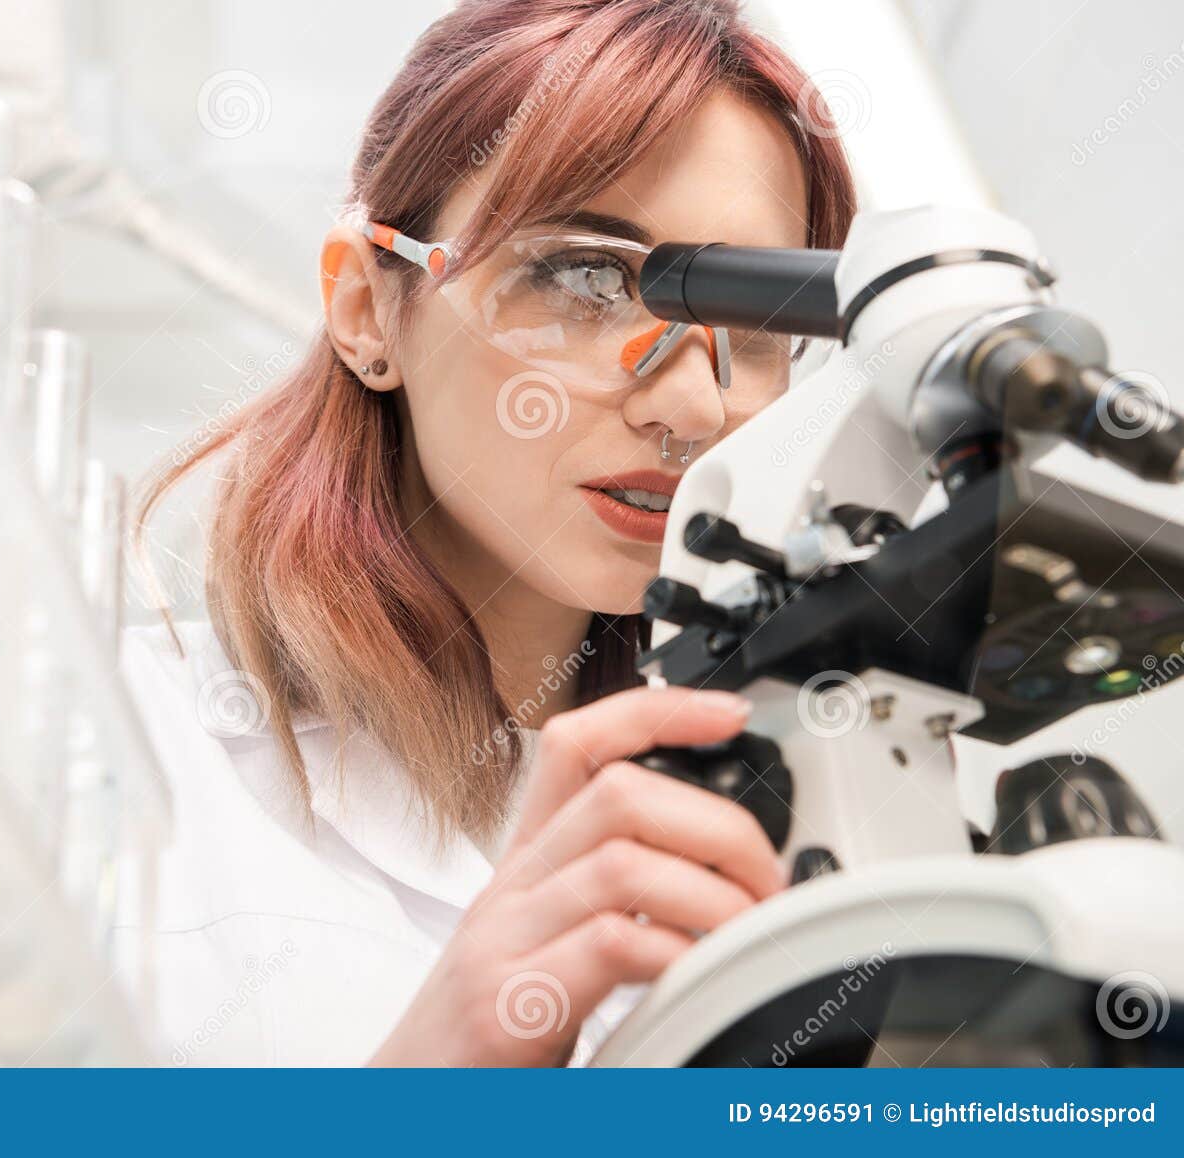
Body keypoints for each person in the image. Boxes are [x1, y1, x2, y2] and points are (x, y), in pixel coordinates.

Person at [120, 0, 857, 1066]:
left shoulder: (777, 801)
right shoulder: (125, 749)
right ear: (369, 307)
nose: (692, 408)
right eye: (587, 280)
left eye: (760, 322)